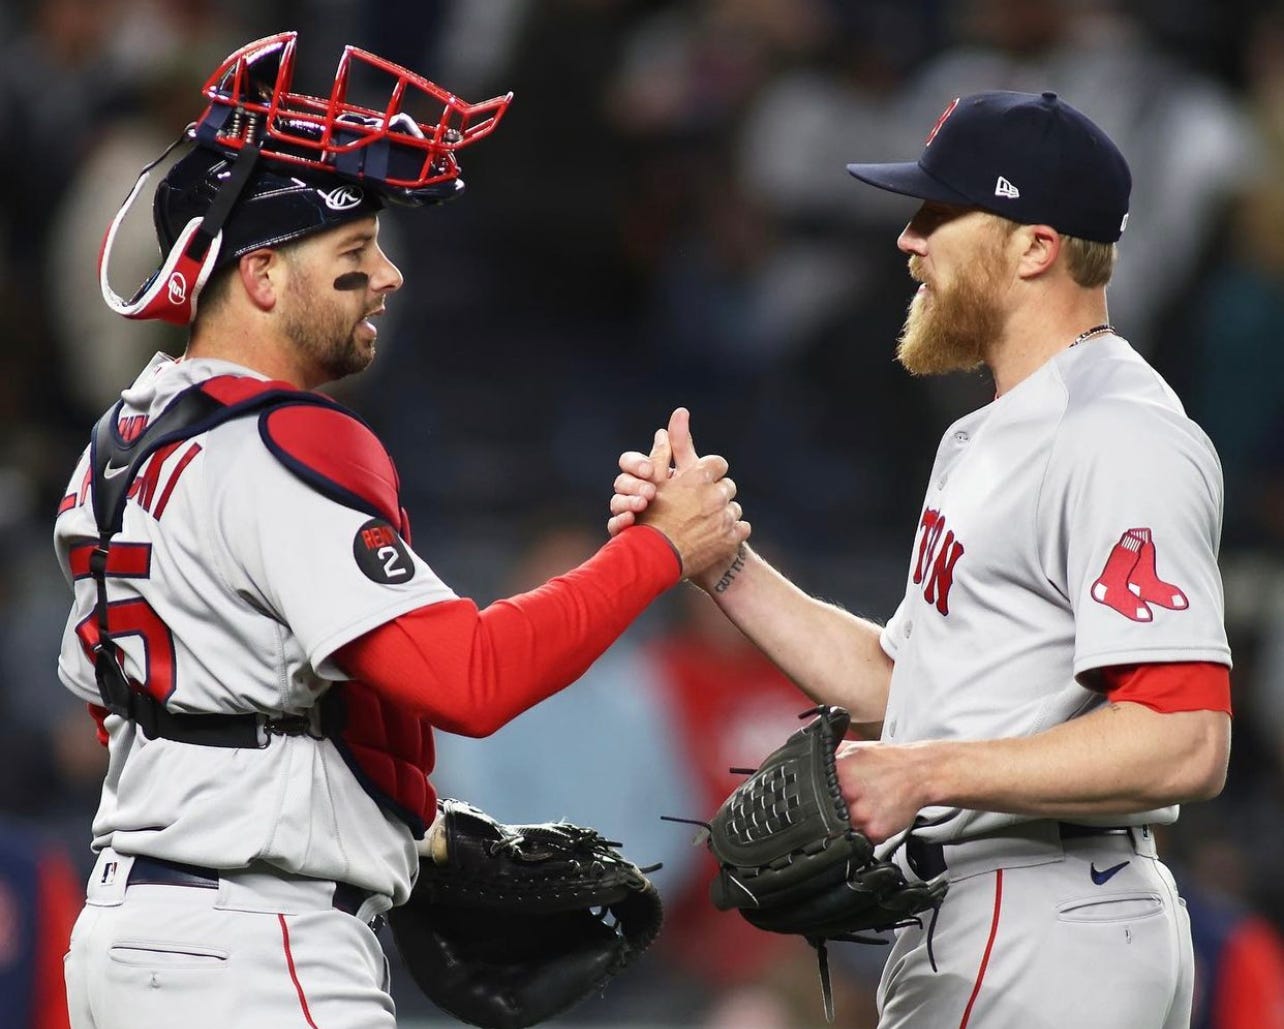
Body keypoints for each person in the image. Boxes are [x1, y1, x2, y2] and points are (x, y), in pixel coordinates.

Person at [53, 33, 748, 1029]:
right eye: (353, 252)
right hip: (258, 947)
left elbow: (141, 708)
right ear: (260, 276)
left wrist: (402, 823)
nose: (388, 275)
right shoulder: (285, 440)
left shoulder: (115, 444)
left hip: (125, 937)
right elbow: (469, 680)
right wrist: (659, 550)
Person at [611, 91, 1233, 1028]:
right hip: (980, 912)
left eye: (941, 212)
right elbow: (898, 681)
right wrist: (717, 560)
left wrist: (927, 771)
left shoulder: (1117, 432)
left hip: (1053, 916)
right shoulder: (984, 437)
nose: (909, 238)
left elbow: (1186, 736)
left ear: (1036, 246)